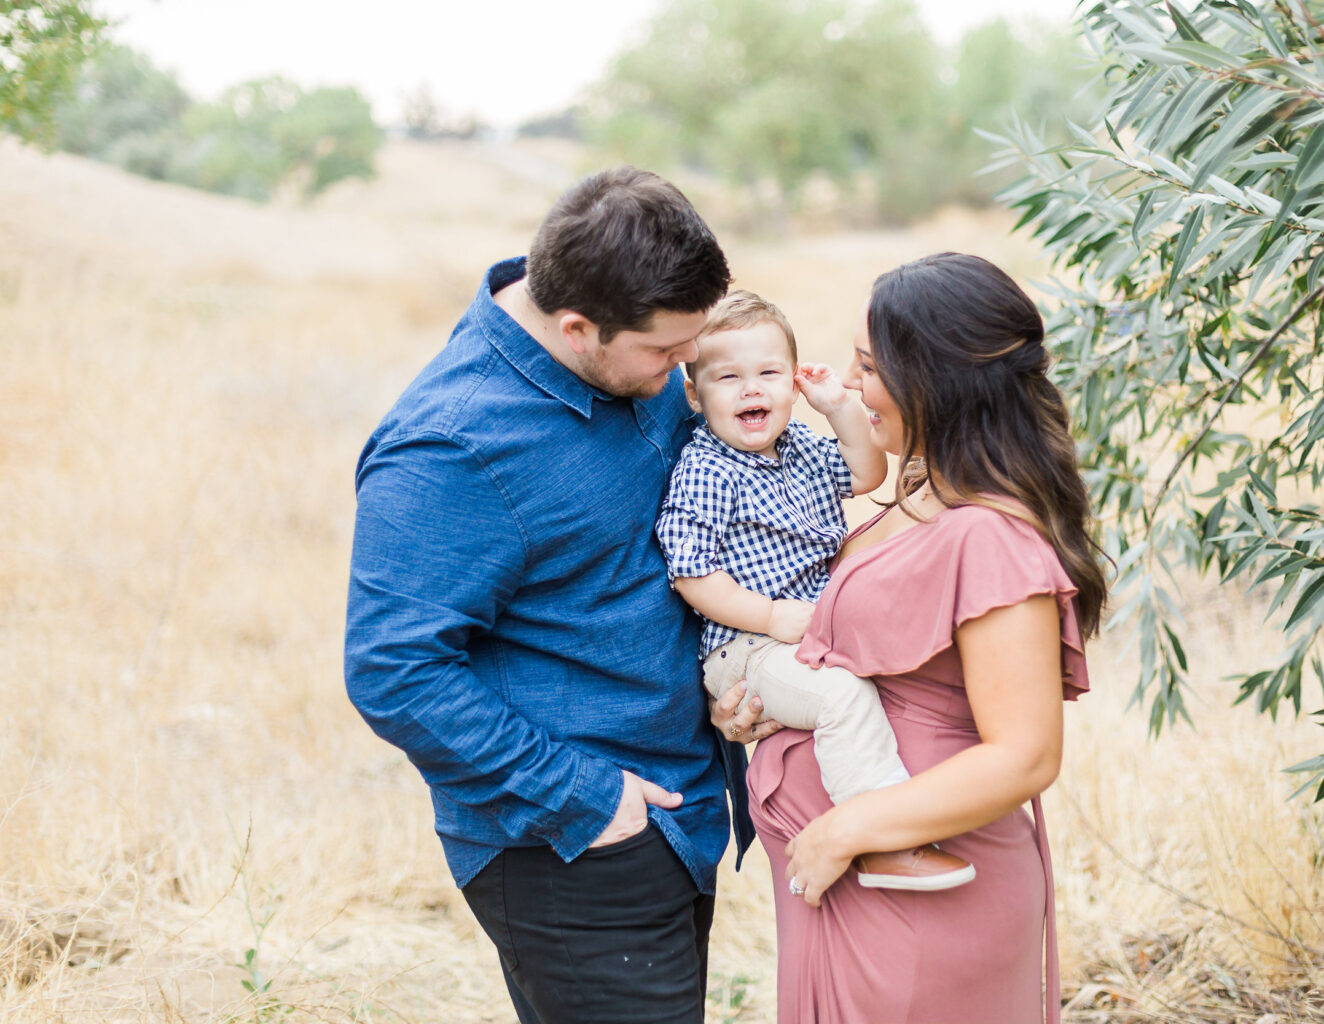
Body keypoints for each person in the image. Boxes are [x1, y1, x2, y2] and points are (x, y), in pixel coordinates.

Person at [344, 167, 777, 1024]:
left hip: (680, 814)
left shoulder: (635, 351)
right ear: (577, 328)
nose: (682, 373)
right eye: (664, 353)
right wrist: (586, 797)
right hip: (569, 844)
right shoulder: (449, 448)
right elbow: (393, 671)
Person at [721, 252, 1106, 1024]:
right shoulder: (925, 491)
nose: (854, 386)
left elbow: (1025, 753)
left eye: (870, 366)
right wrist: (756, 708)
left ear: (937, 380)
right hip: (851, 886)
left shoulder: (989, 537)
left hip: (921, 897)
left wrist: (847, 827)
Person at [656, 290, 974, 892]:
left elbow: (865, 473)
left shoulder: (800, 447)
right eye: (728, 378)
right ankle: (883, 838)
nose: (752, 390)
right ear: (694, 395)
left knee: (855, 687)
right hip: (746, 647)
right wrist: (772, 616)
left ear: (793, 383)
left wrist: (837, 408)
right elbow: (691, 573)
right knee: (839, 696)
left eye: (769, 373)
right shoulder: (706, 468)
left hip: (799, 634)